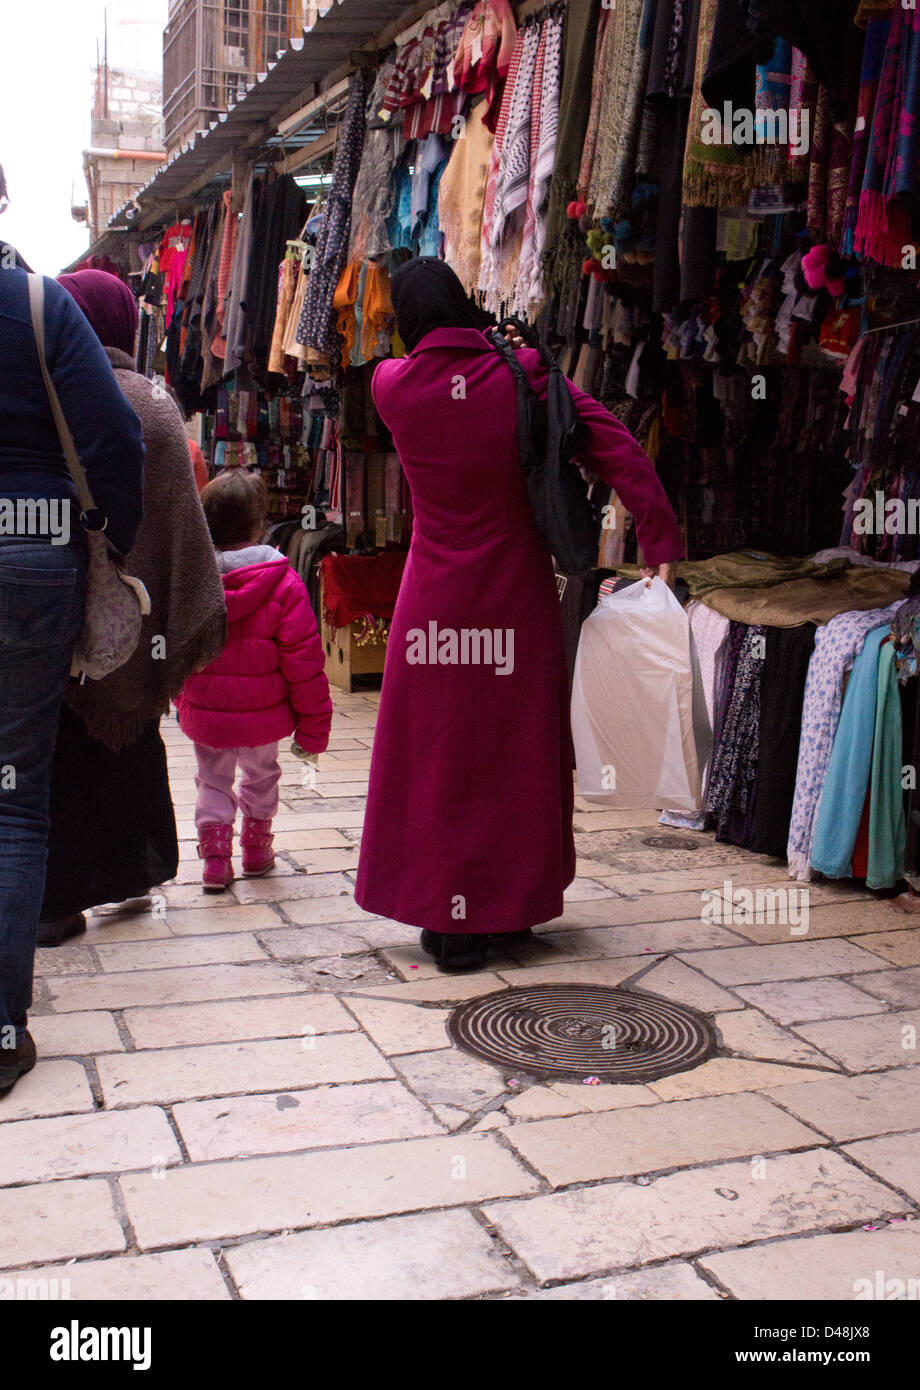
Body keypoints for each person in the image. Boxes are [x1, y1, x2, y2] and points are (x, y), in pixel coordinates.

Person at [354, 257, 685, 973]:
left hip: (432, 604)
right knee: (513, 753)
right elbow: (614, 446)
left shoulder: (389, 387)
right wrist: (660, 537)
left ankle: (449, 916)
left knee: (438, 756)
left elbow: (418, 364)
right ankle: (503, 907)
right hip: (513, 594)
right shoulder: (525, 372)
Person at [0, 167, 145, 1094]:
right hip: (33, 551)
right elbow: (118, 443)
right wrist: (106, 548)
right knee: (15, 798)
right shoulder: (43, 308)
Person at [37, 269, 228, 946]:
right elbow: (180, 526)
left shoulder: (48, 398)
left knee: (58, 761)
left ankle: (57, 899)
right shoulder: (154, 402)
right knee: (129, 745)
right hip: (135, 622)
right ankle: (131, 870)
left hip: (55, 618)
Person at [177, 469, 332, 890]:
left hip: (209, 715)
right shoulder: (283, 582)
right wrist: (314, 729)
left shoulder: (193, 582)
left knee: (211, 779)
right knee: (262, 775)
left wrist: (179, 698)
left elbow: (176, 650)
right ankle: (257, 850)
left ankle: (214, 860)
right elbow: (304, 661)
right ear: (258, 524)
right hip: (265, 717)